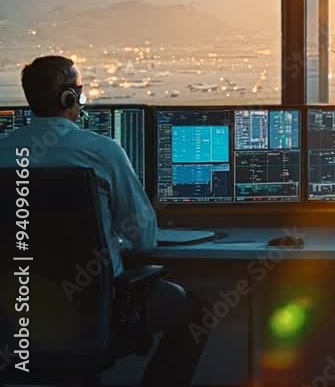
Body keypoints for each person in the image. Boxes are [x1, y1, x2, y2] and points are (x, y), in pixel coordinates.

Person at [0, 56, 211, 387]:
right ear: (68, 98)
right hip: (98, 313)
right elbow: (144, 238)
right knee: (199, 310)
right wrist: (114, 240)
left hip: (16, 321)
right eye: (79, 94)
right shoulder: (101, 151)